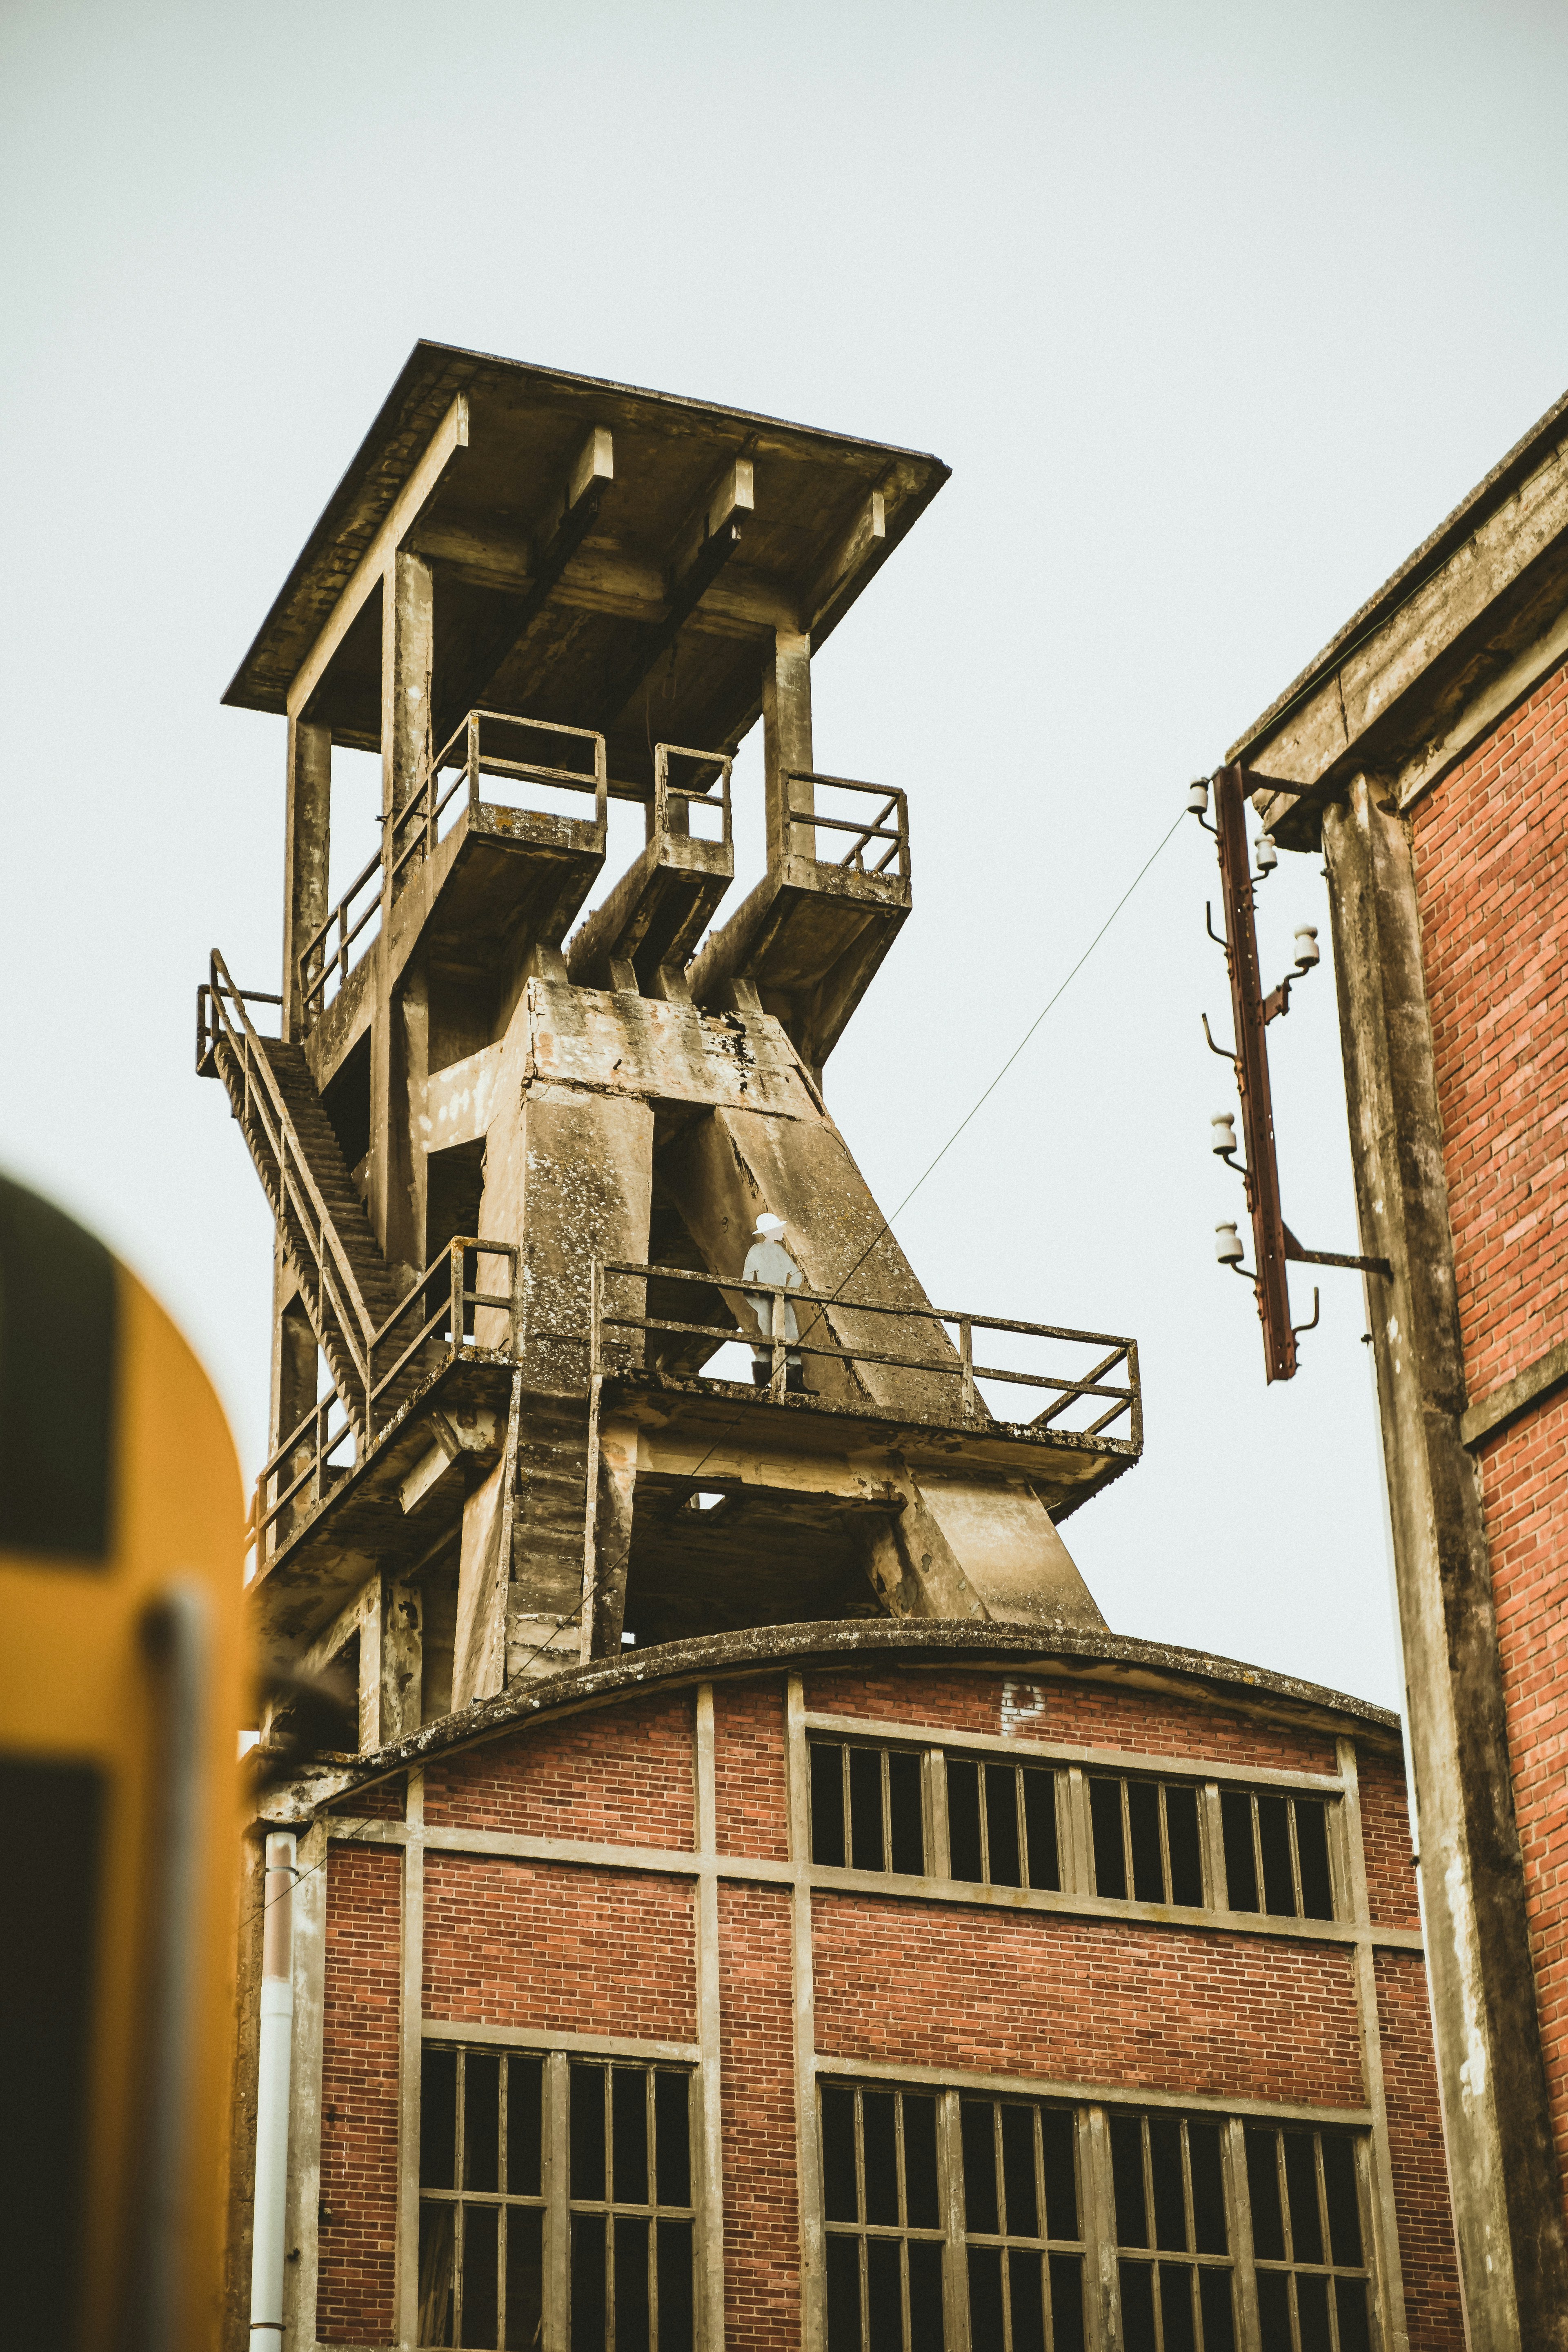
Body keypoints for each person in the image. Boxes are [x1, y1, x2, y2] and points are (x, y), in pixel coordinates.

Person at [742, 1213, 807, 1392]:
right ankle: (762, 1382)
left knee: (792, 1338)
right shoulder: (756, 1251)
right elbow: (746, 1283)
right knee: (768, 1339)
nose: (782, 1231)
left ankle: (795, 1383)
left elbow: (797, 1274)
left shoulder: (779, 1251)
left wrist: (787, 1293)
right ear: (769, 1231)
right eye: (779, 1228)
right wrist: (758, 1304)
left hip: (784, 1304)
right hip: (766, 1303)